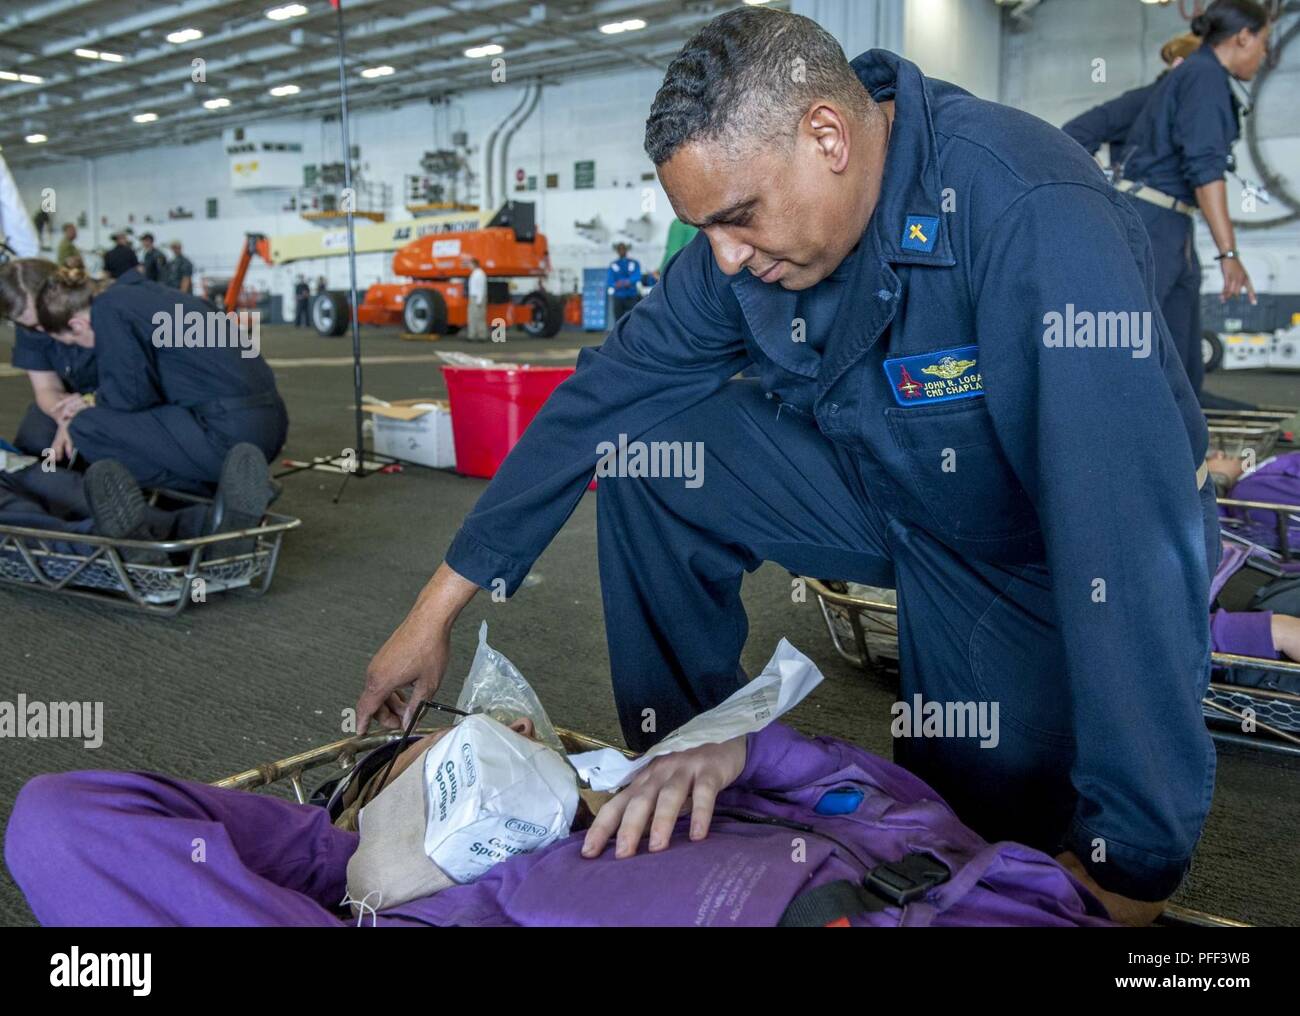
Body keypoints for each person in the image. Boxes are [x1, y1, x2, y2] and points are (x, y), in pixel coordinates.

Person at [358, 8, 1222, 927]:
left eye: (737, 219)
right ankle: (693, 763)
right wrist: (432, 613)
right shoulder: (747, 243)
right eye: (704, 229)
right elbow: (601, 399)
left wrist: (1135, 861)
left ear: (827, 137)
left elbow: (1127, 540)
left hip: (1031, 550)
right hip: (888, 487)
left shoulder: (1030, 210)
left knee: (974, 839)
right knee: (653, 449)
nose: (726, 257)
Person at [5, 713, 1114, 927]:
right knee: (53, 817)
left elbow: (867, 793)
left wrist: (735, 750)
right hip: (395, 862)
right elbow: (66, 821)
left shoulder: (705, 796)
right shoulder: (362, 873)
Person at [1117, 0, 1272, 402]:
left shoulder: (1203, 76)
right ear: (1243, 37)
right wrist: (1229, 253)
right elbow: (1205, 171)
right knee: (1143, 337)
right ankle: (1134, 420)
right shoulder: (1204, 77)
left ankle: (1191, 414)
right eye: (1264, 43)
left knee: (1181, 342)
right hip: (1153, 219)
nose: (1264, 55)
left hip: (1174, 219)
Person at [33, 265, 288, 494]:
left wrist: (88, 403)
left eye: (74, 342)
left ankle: (211, 497)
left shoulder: (108, 310)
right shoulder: (153, 294)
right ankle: (241, 487)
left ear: (77, 325)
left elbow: (130, 397)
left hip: (229, 440)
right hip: (270, 425)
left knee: (86, 426)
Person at [0, 443, 272, 559]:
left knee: (84, 493)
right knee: (24, 522)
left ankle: (208, 526)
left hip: (10, 462)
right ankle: (109, 547)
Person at [0, 258, 97, 458]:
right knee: (36, 441)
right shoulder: (28, 328)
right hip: (68, 398)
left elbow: (133, 383)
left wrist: (88, 406)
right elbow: (45, 387)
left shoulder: (104, 312)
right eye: (33, 326)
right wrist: (63, 416)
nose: (44, 331)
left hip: (118, 398)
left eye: (46, 320)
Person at [1062, 33, 1200, 168]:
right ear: (1179, 65)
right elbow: (1076, 131)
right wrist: (1097, 178)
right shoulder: (1146, 99)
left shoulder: (1190, 104)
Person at [605, 242, 641, 321]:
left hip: (631, 295)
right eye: (619, 249)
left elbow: (637, 276)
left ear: (626, 250)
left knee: (633, 319)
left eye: (623, 249)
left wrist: (628, 281)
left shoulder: (634, 263)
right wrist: (616, 284)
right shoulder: (613, 265)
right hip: (618, 296)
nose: (621, 251)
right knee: (618, 320)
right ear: (617, 251)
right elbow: (610, 280)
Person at [466, 257, 488, 341]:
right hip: (473, 297)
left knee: (479, 317)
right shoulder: (474, 273)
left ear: (474, 264)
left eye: (470, 264)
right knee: (472, 317)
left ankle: (482, 335)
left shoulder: (480, 274)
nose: (469, 266)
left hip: (477, 297)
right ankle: (471, 335)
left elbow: (481, 288)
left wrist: (479, 300)